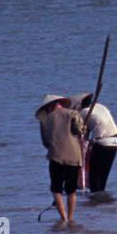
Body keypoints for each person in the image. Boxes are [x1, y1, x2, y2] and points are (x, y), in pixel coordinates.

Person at [37, 94, 86, 222]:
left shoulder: (44, 120)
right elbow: (80, 131)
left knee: (56, 189)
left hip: (55, 156)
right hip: (73, 157)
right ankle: (70, 218)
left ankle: (63, 218)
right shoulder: (72, 114)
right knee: (71, 190)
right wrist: (83, 129)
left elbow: (45, 142)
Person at [75, 93, 117, 194]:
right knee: (104, 174)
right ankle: (102, 198)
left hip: (102, 141)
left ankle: (96, 200)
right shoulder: (100, 106)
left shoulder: (82, 113)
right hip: (115, 140)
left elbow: (84, 136)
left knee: (94, 175)